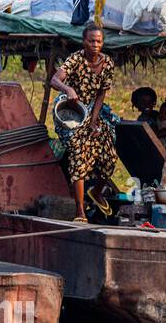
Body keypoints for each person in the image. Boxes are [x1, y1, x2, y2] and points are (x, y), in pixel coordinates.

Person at [50, 24, 117, 221]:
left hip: (91, 111)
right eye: (91, 41)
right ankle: (80, 211)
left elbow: (101, 94)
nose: (95, 45)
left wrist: (95, 121)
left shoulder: (108, 64)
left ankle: (96, 192)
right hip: (70, 112)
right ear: (84, 42)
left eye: (98, 41)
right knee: (79, 155)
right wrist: (67, 89)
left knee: (109, 157)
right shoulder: (75, 59)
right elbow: (54, 80)